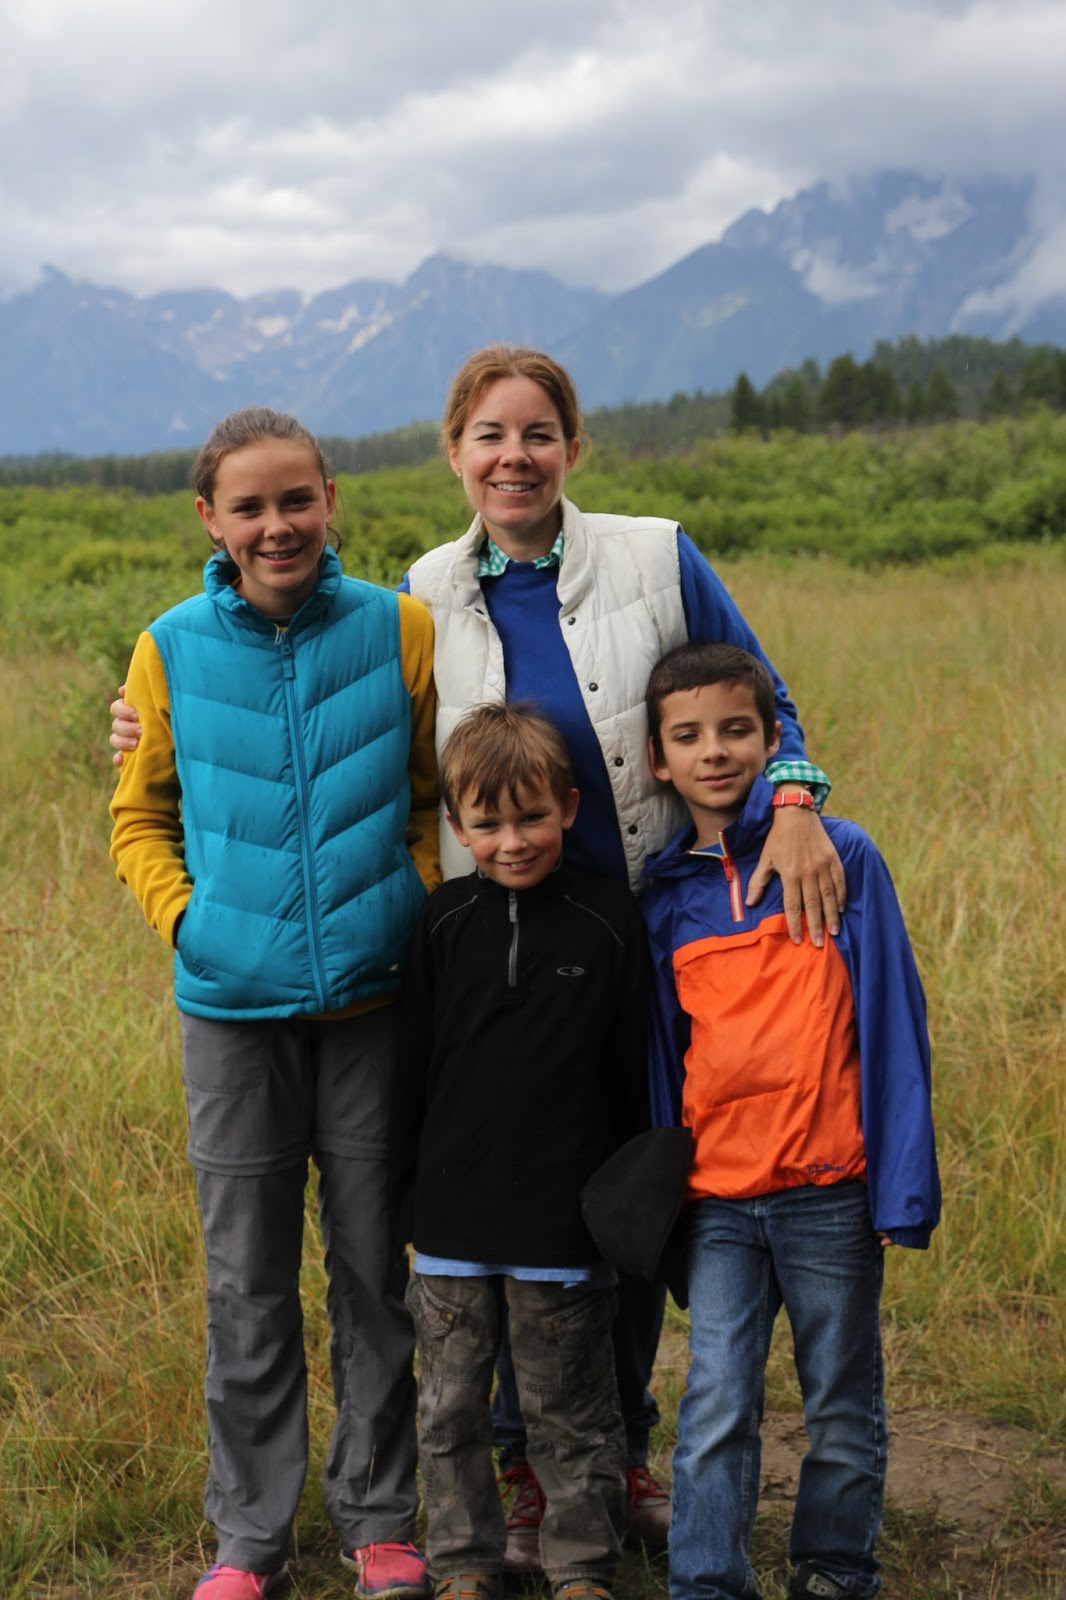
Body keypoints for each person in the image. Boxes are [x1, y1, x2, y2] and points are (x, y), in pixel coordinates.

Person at [110, 344, 847, 1566]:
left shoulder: (638, 560)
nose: (514, 456)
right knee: (483, 1202)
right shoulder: (420, 595)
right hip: (471, 959)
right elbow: (274, 769)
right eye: (489, 436)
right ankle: (481, 1476)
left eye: (537, 432)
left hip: (633, 939)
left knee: (615, 1193)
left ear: (572, 445)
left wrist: (798, 797)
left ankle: (599, 1453)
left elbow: (759, 698)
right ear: (452, 454)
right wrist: (183, 867)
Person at [108, 408, 439, 1600]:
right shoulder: (168, 648)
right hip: (231, 1016)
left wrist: (408, 904)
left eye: (296, 499)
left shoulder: (401, 629)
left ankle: (380, 1517)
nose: (276, 525)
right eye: (248, 506)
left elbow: (433, 796)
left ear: (330, 499)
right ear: (211, 518)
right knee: (246, 1281)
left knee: (373, 1271)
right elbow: (140, 817)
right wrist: (194, 924)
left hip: (374, 1006)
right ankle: (249, 1536)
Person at [641, 640, 941, 1600]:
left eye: (736, 730)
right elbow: (664, 1062)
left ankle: (835, 1569)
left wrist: (901, 1186)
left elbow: (892, 1021)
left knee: (841, 1397)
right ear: (657, 760)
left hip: (829, 1189)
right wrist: (663, 1206)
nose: (714, 752)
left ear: (775, 742)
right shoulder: (665, 898)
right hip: (720, 1200)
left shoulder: (840, 855)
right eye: (689, 736)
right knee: (716, 1400)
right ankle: (705, 1581)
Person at [394, 701, 650, 1600]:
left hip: (565, 1228)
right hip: (451, 1226)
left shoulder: (610, 920)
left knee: (570, 1411)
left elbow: (631, 1074)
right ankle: (463, 1563)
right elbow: (412, 1071)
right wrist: (406, 1202)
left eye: (532, 817)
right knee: (449, 1410)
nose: (512, 842)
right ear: (456, 826)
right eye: (488, 824)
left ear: (569, 808)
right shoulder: (440, 922)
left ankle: (581, 1567)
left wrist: (622, 1210)